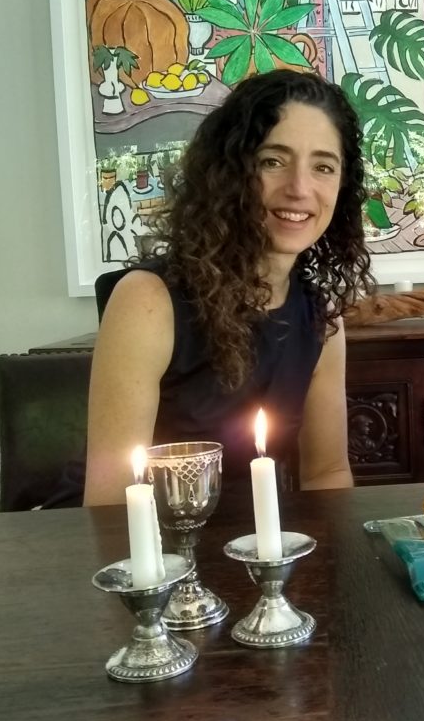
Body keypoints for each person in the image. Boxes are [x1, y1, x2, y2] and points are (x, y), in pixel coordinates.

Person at [83, 70, 374, 506]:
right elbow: (109, 503)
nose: (299, 188)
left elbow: (326, 472)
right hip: (157, 554)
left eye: (323, 167)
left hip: (263, 550)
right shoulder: (147, 300)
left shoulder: (321, 315)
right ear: (231, 173)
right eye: (272, 161)